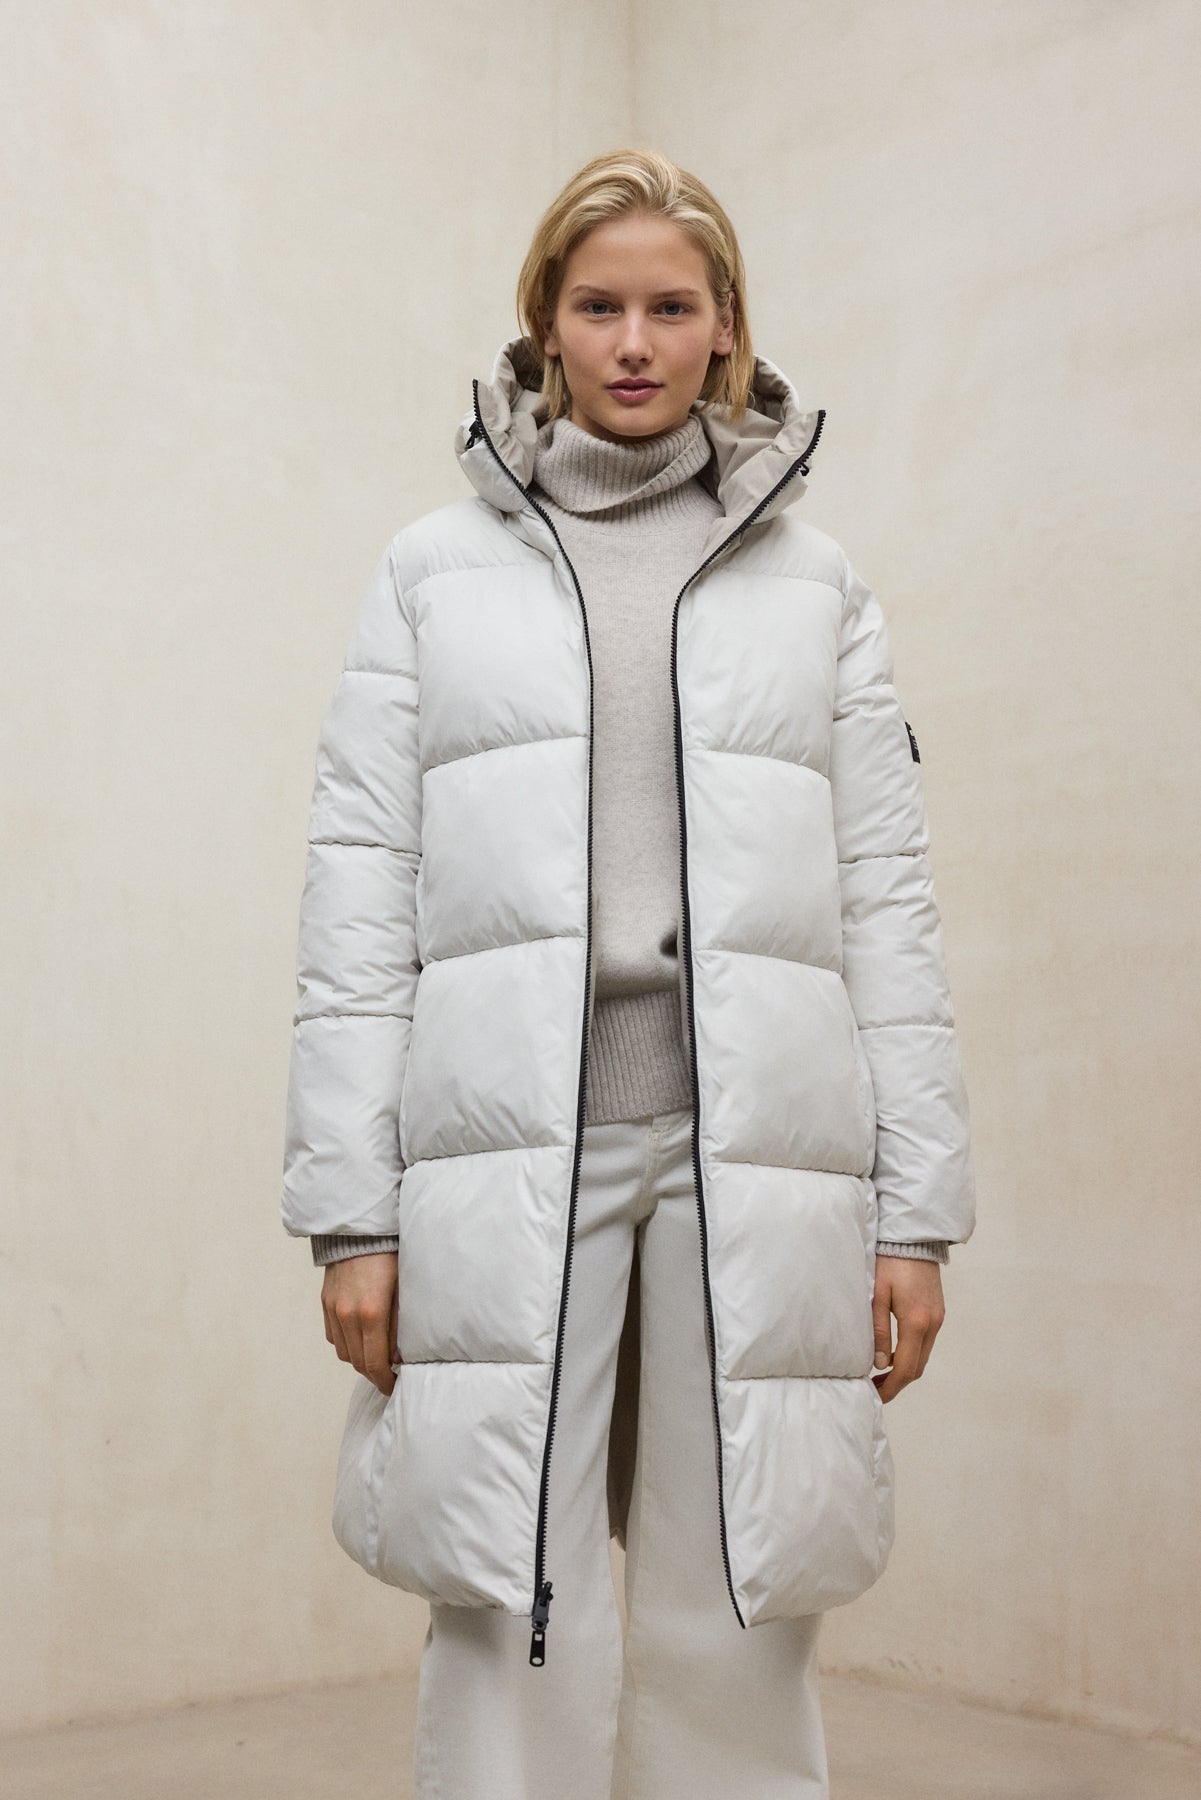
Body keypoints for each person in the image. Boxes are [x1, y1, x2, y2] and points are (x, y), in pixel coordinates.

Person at [280, 146, 975, 1800]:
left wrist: (915, 1217)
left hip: (760, 1149)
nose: (637, 342)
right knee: (506, 1582)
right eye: (599, 306)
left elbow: (885, 906)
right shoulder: (431, 572)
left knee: (738, 1584)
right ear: (544, 322)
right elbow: (356, 905)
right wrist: (353, 1217)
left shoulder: (815, 586)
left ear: (727, 324)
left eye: (672, 306)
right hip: (510, 1142)